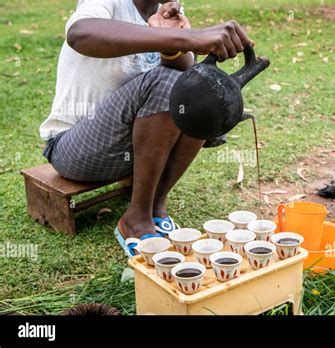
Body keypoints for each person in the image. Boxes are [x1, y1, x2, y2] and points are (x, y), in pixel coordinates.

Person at [39, 0, 252, 256]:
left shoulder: (168, 11)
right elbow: (79, 34)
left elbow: (184, 73)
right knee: (165, 82)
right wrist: (188, 37)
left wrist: (173, 40)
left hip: (126, 152)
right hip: (75, 150)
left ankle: (155, 206)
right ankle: (135, 219)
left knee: (198, 91)